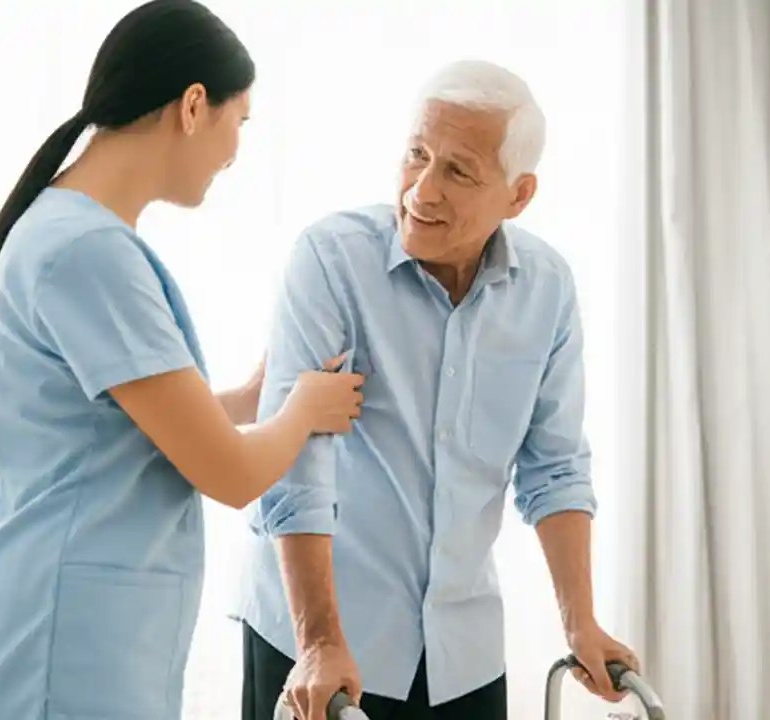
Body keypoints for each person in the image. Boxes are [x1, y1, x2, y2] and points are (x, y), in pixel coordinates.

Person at [0, 3, 364, 719]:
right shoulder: (89, 252)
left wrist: (260, 393)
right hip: (62, 643)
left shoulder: (66, 231)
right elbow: (228, 472)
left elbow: (132, 432)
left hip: (65, 630)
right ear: (195, 105)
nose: (236, 150)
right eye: (242, 121)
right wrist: (305, 411)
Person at [239, 60, 639, 720]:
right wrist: (318, 642)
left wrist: (581, 623)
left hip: (462, 654)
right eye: (416, 155)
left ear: (518, 195)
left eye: (458, 171)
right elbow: (297, 467)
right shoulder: (331, 261)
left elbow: (556, 467)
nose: (421, 191)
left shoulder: (548, 289)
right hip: (317, 648)